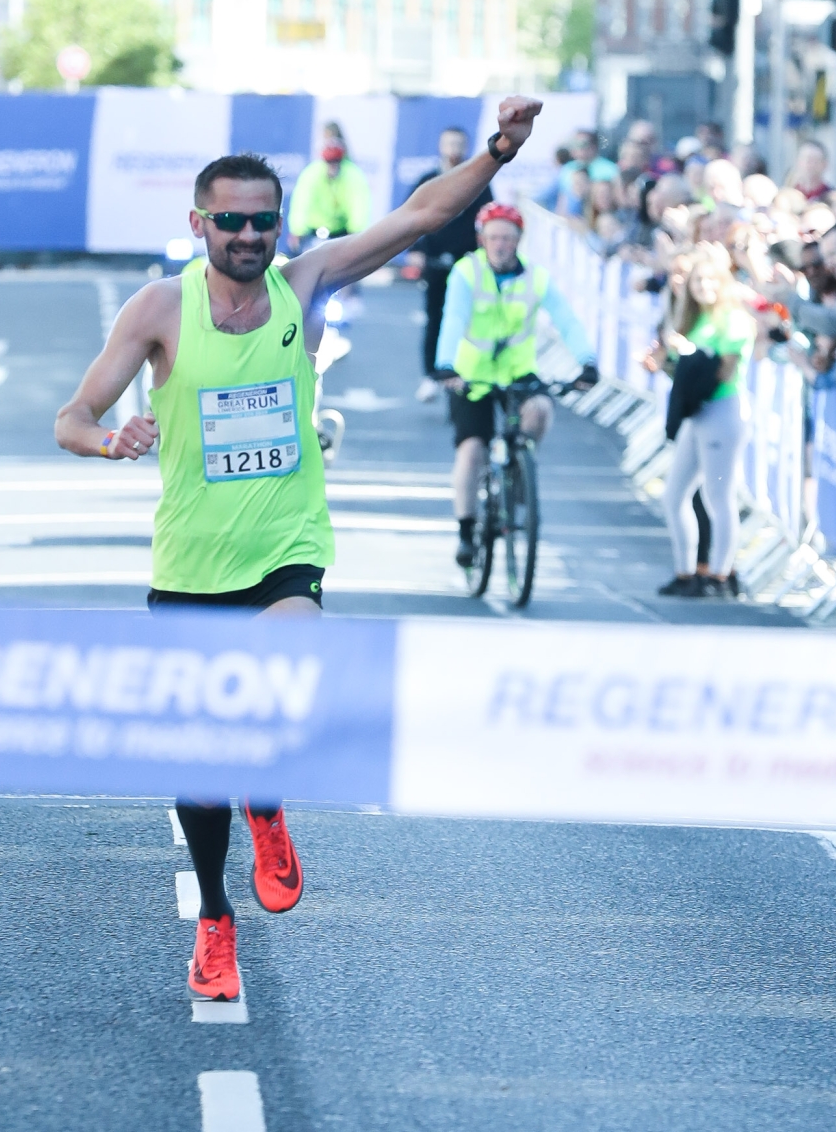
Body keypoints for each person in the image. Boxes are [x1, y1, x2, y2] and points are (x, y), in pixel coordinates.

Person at [54, 96, 545, 1003]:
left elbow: (420, 215)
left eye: (263, 221)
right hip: (192, 561)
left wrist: (496, 156)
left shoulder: (307, 283)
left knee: (289, 668)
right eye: (230, 221)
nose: (248, 235)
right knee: (199, 771)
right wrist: (107, 440)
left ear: (281, 224)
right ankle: (214, 918)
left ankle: (269, 795)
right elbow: (72, 417)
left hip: (288, 544)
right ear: (198, 223)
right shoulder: (160, 309)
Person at [432, 201, 598, 568]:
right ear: (482, 240)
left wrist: (587, 361)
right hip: (471, 374)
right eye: (493, 238)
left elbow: (566, 321)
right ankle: (465, 529)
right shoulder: (466, 273)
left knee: (539, 411)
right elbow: (453, 320)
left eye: (508, 238)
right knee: (472, 450)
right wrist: (445, 365)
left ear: (519, 240)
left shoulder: (536, 278)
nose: (501, 245)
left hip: (517, 371)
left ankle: (520, 472)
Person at [657, 243, 755, 599]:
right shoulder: (694, 319)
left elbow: (723, 369)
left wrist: (689, 354)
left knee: (718, 495)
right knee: (674, 495)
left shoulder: (734, 318)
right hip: (698, 414)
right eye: (697, 281)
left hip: (722, 410)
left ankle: (719, 573)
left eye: (710, 280)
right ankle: (686, 572)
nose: (703, 287)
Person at [407, 127, 492, 403]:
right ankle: (431, 375)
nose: (454, 148)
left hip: (467, 263)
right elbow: (410, 216)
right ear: (441, 146)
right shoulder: (428, 180)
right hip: (436, 261)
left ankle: (463, 373)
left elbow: (486, 220)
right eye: (449, 143)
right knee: (435, 318)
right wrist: (416, 250)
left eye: (459, 143)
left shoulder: (478, 181)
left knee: (466, 319)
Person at [286, 122, 372, 248]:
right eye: (329, 162)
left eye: (336, 161)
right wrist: (297, 231)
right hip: (313, 231)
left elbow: (359, 206)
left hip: (342, 232)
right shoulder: (312, 173)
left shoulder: (353, 175)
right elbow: (301, 202)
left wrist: (356, 233)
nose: (332, 166)